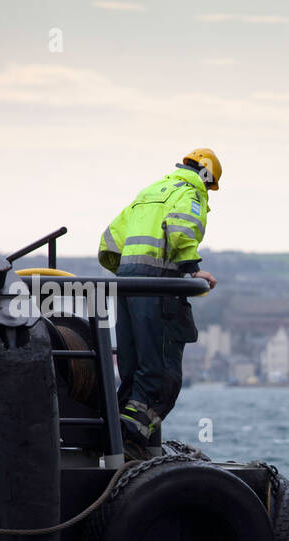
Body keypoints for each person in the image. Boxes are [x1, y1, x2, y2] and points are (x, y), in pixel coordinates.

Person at [99, 148, 220, 458]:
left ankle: (114, 436)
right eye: (210, 185)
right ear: (205, 175)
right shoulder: (191, 193)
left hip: (129, 285)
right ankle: (130, 440)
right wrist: (191, 269)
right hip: (158, 288)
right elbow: (181, 229)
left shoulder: (149, 192)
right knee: (161, 374)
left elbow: (109, 242)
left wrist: (129, 274)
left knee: (134, 366)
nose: (208, 192)